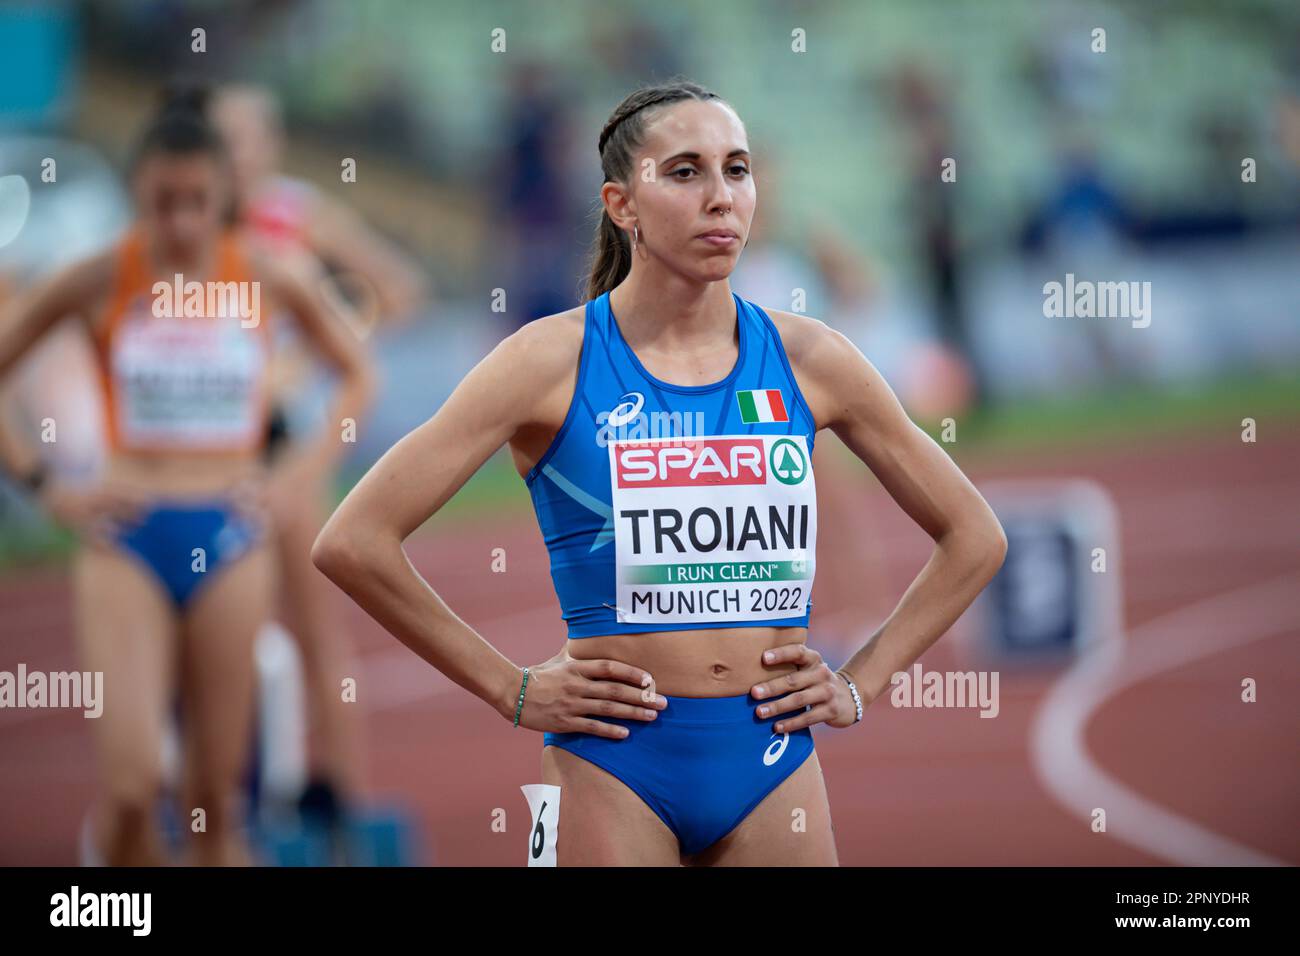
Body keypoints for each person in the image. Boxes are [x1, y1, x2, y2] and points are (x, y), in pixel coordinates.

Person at [312, 79, 1006, 866]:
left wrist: (862, 681)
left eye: (736, 170)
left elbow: (974, 534)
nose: (721, 197)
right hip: (613, 765)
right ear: (622, 204)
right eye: (684, 172)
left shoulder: (814, 361)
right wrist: (511, 688)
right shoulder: (549, 362)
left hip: (773, 761)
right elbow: (354, 538)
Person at [0, 85, 374, 865]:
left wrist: (295, 476)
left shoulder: (268, 275)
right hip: (125, 534)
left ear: (223, 196)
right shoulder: (98, 276)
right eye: (162, 202)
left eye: (197, 202)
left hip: (231, 535)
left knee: (213, 802)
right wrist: (45, 485)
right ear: (138, 191)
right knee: (135, 788)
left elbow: (356, 374)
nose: (179, 223)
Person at [211, 84, 429, 813]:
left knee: (312, 628)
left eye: (249, 138)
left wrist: (315, 358)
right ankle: (221, 797)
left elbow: (397, 290)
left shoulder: (293, 214)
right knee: (211, 630)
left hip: (291, 445)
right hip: (201, 454)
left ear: (269, 145)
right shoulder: (181, 224)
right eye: (222, 137)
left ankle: (341, 799)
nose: (237, 154)